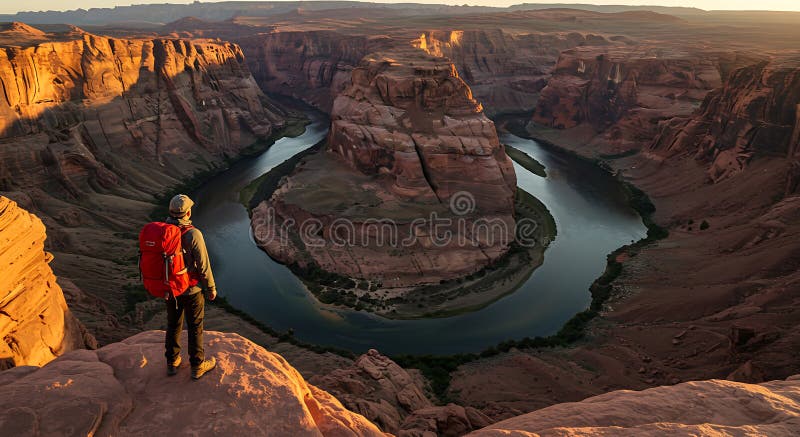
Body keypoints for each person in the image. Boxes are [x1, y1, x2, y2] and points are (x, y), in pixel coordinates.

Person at [164, 194, 218, 380]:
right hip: (191, 289)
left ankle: (172, 362)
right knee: (195, 327)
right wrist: (210, 288)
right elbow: (203, 265)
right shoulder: (193, 234)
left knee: (173, 324)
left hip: (171, 289)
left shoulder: (163, 231)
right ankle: (197, 366)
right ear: (187, 212)